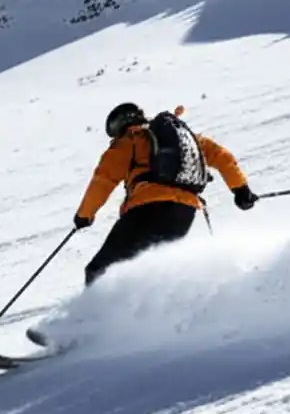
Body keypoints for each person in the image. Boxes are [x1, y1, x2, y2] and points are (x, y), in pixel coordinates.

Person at [73, 102, 258, 285]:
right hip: (184, 212)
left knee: (99, 269)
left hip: (145, 211)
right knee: (155, 271)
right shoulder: (183, 137)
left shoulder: (129, 140)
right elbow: (221, 156)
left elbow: (103, 181)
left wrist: (84, 216)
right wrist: (241, 190)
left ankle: (94, 314)